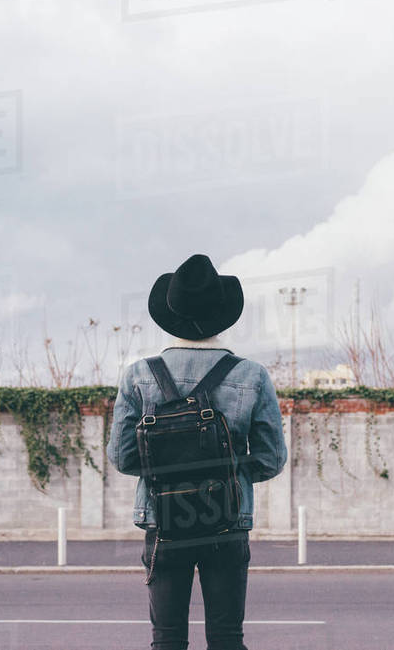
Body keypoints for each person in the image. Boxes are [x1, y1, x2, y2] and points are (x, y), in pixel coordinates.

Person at [108, 253, 288, 650]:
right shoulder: (251, 375)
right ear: (221, 314)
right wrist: (225, 470)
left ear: (170, 313)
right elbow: (271, 458)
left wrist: (168, 467)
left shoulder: (138, 375)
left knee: (167, 639)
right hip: (226, 520)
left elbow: (122, 457)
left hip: (163, 519)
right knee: (226, 638)